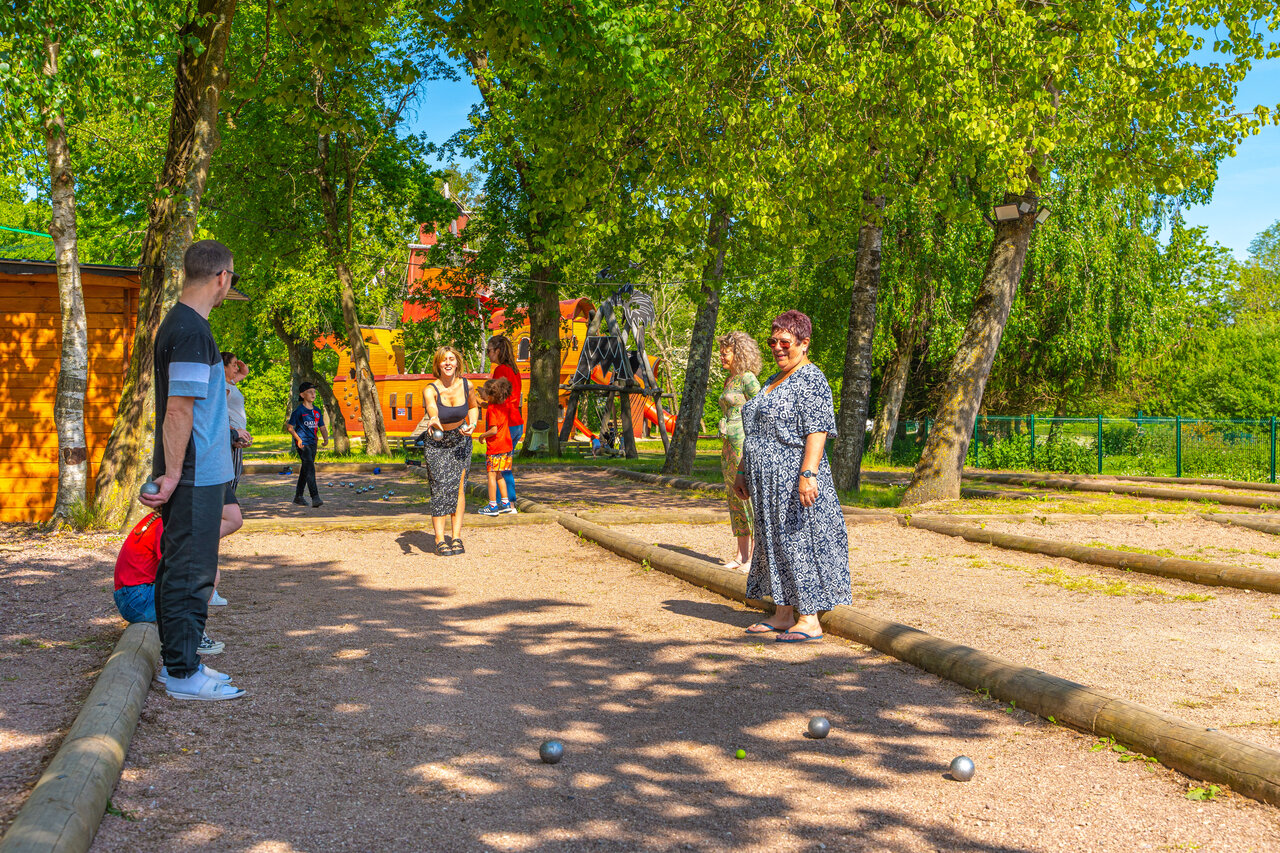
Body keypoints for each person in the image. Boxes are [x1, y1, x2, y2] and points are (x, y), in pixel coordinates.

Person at [139, 238, 246, 700]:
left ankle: (180, 663)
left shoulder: (186, 326)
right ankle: (182, 674)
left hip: (201, 470)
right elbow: (179, 410)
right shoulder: (190, 331)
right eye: (231, 279)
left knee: (185, 567)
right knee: (190, 571)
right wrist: (176, 474)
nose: (229, 287)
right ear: (221, 276)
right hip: (194, 473)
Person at [732, 310, 850, 643]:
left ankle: (810, 618)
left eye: (785, 342)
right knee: (772, 544)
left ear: (803, 343)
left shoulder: (811, 378)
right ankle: (783, 613)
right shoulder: (771, 380)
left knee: (798, 543)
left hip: (794, 479)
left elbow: (817, 430)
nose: (777, 348)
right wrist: (742, 471)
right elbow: (755, 430)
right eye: (773, 341)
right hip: (765, 483)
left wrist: (808, 473)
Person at [114, 512, 230, 685]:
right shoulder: (163, 525)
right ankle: (193, 639)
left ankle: (187, 644)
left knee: (201, 574)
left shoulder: (159, 520)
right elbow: (175, 567)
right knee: (208, 574)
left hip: (133, 596)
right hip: (137, 599)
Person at [416, 346, 479, 555]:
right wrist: (434, 418)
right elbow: (431, 406)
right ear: (438, 364)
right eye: (444, 360)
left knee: (459, 487)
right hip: (437, 441)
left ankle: (457, 537)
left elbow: (473, 406)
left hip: (461, 439)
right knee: (440, 487)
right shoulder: (430, 389)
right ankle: (440, 538)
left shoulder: (467, 385)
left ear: (457, 362)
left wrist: (473, 423)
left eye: (451, 359)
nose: (448, 363)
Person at [716, 331, 763, 571]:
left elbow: (760, 412)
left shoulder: (748, 379)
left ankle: (754, 558)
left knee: (748, 498)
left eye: (725, 354)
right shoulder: (729, 380)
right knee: (734, 499)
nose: (721, 358)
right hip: (727, 447)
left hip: (744, 447)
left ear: (739, 353)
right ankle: (740, 554)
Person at [486, 335, 524, 502]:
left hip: (504, 424)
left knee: (502, 466)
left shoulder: (500, 370)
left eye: (489, 351)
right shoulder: (514, 370)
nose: (488, 354)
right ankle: (508, 501)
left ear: (498, 351)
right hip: (516, 422)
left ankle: (509, 502)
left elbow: (497, 397)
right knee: (505, 465)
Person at [475, 376, 516, 516]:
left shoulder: (492, 410)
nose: (482, 394)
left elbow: (493, 430)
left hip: (495, 447)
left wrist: (482, 436)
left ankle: (492, 506)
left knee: (491, 476)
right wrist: (477, 396)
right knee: (500, 474)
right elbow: (485, 404)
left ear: (491, 395)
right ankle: (505, 503)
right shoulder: (503, 405)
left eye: (484, 392)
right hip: (506, 446)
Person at [287, 382, 328, 508]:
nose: (313, 394)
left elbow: (322, 426)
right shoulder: (299, 411)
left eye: (314, 392)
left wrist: (326, 439)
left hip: (313, 443)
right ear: (302, 395)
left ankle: (298, 497)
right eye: (310, 392)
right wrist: (298, 439)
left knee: (305, 469)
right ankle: (315, 497)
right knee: (310, 468)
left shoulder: (317, 411)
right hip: (303, 444)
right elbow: (289, 427)